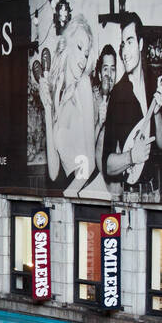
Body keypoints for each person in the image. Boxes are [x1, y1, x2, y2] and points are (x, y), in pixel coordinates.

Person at [102, 11, 162, 198]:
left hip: (155, 192)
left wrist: (157, 111)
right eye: (123, 44)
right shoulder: (118, 94)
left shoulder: (153, 83)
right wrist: (131, 157)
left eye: (130, 42)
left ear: (140, 44)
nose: (124, 51)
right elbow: (108, 165)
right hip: (131, 196)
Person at [41, 13, 105, 198]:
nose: (83, 59)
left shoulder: (83, 84)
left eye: (86, 53)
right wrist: (47, 108)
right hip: (74, 192)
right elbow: (53, 171)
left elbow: (90, 164)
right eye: (79, 47)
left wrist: (67, 195)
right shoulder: (58, 92)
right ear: (67, 45)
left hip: (91, 190)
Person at [92, 43, 118, 166]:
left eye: (113, 69)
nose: (109, 74)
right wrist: (99, 124)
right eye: (105, 69)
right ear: (99, 74)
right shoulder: (92, 100)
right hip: (95, 177)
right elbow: (84, 147)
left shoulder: (119, 100)